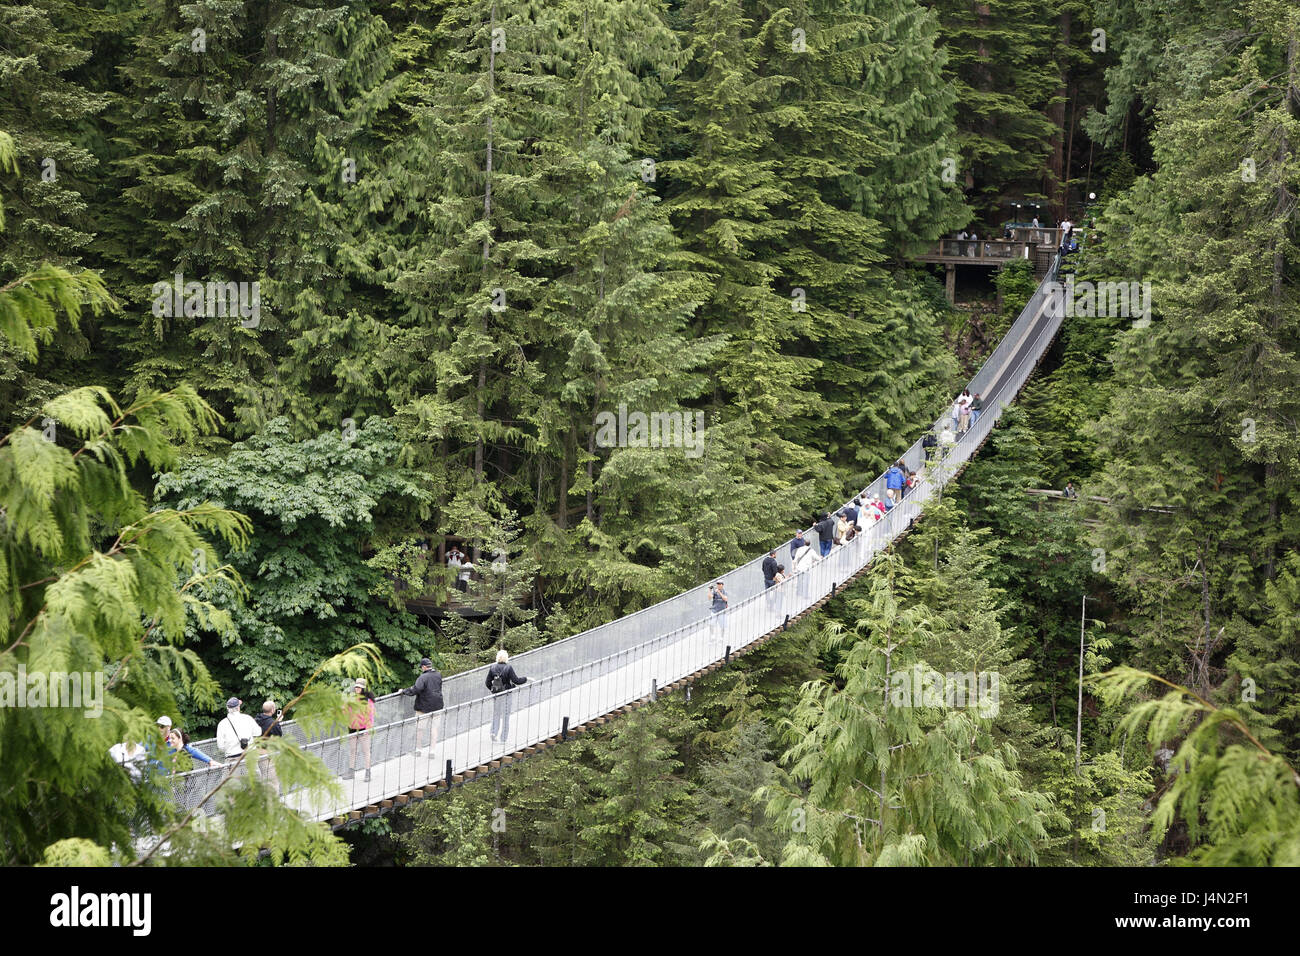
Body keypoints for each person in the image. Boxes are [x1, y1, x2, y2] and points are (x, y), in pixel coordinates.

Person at [400, 657, 445, 757]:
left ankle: (418, 749)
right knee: (434, 729)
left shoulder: (422, 678)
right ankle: (432, 751)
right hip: (438, 705)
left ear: (424, 667)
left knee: (420, 729)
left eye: (421, 667)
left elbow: (416, 689)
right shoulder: (438, 675)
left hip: (424, 707)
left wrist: (404, 691)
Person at [485, 649, 528, 743]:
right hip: (507, 695)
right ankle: (503, 738)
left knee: (496, 714)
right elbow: (516, 680)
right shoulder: (508, 668)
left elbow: (487, 683)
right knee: (506, 716)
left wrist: (493, 690)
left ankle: (493, 732)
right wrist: (526, 679)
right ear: (506, 658)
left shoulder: (492, 668)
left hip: (497, 695)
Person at [157, 715, 224, 770]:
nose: (159, 728)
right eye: (157, 725)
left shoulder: (174, 743)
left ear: (169, 727)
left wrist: (209, 761)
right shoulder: (150, 740)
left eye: (162, 726)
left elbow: (192, 751)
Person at [343, 679, 376, 782]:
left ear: (363, 688)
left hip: (363, 728)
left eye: (359, 687)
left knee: (366, 751)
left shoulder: (367, 701)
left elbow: (370, 716)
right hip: (352, 728)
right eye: (356, 687)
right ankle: (351, 772)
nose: (357, 689)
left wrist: (368, 729)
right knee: (352, 750)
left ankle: (368, 773)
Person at [216, 697, 263, 764]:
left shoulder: (222, 724)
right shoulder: (247, 718)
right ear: (238, 708)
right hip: (250, 755)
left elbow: (221, 746)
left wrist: (230, 750)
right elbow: (258, 732)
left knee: (231, 775)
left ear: (228, 709)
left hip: (232, 758)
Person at [251, 701, 283, 792]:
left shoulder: (255, 720)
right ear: (272, 710)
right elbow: (278, 736)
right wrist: (278, 723)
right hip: (266, 753)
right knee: (272, 780)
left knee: (260, 778)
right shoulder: (272, 723)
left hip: (255, 751)